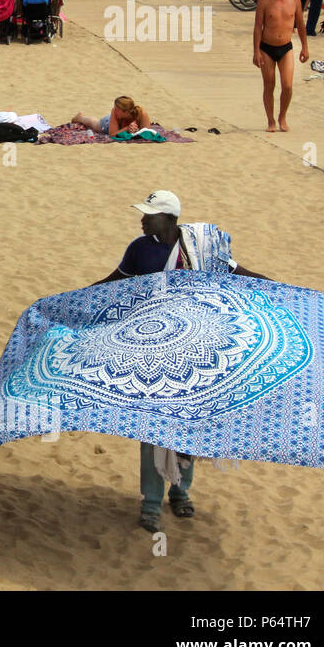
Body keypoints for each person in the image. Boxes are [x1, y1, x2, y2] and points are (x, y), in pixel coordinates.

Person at [91, 189, 267, 533]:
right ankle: (151, 503)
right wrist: (73, 299)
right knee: (152, 427)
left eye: (149, 214)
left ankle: (181, 492)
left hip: (196, 352)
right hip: (151, 350)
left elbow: (238, 272)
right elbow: (114, 284)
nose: (142, 219)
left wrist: (287, 288)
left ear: (170, 218)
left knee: (187, 426)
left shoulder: (201, 247)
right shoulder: (139, 250)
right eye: (143, 213)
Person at [252, 0, 309, 132]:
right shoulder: (264, 2)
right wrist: (256, 51)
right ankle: (270, 121)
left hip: (286, 47)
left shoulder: (295, 0)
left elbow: (300, 24)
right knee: (269, 85)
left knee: (288, 86)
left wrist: (305, 47)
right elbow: (257, 28)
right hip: (266, 48)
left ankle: (282, 116)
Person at [70, 96, 153, 137]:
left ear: (126, 112)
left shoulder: (141, 113)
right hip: (107, 123)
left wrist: (135, 130)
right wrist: (127, 129)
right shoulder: (114, 111)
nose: (114, 109)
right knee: (94, 123)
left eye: (117, 109)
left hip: (120, 125)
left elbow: (148, 133)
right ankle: (80, 118)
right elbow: (112, 135)